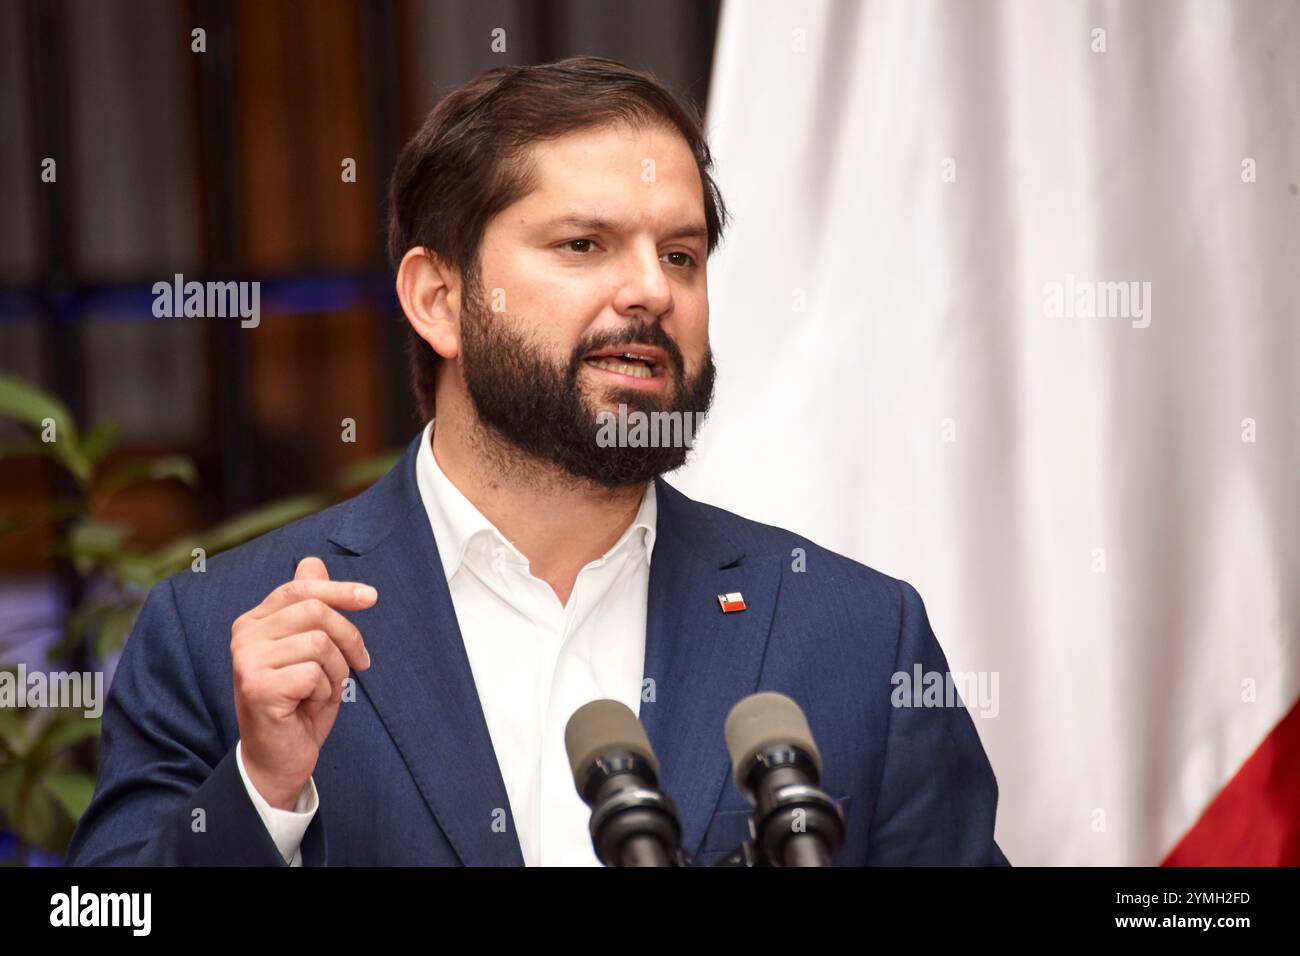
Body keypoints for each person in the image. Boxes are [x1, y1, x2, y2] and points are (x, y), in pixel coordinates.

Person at [68, 55, 1008, 867]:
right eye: (584, 245)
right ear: (438, 299)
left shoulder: (854, 634)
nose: (649, 291)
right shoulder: (219, 632)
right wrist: (261, 791)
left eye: (680, 255)